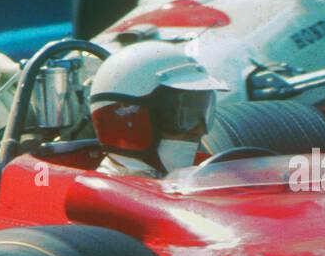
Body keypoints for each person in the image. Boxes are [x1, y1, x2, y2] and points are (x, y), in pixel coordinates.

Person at [88, 41, 227, 177]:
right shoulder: (95, 196)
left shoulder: (204, 174)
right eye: (184, 117)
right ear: (131, 123)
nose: (200, 131)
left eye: (200, 114)